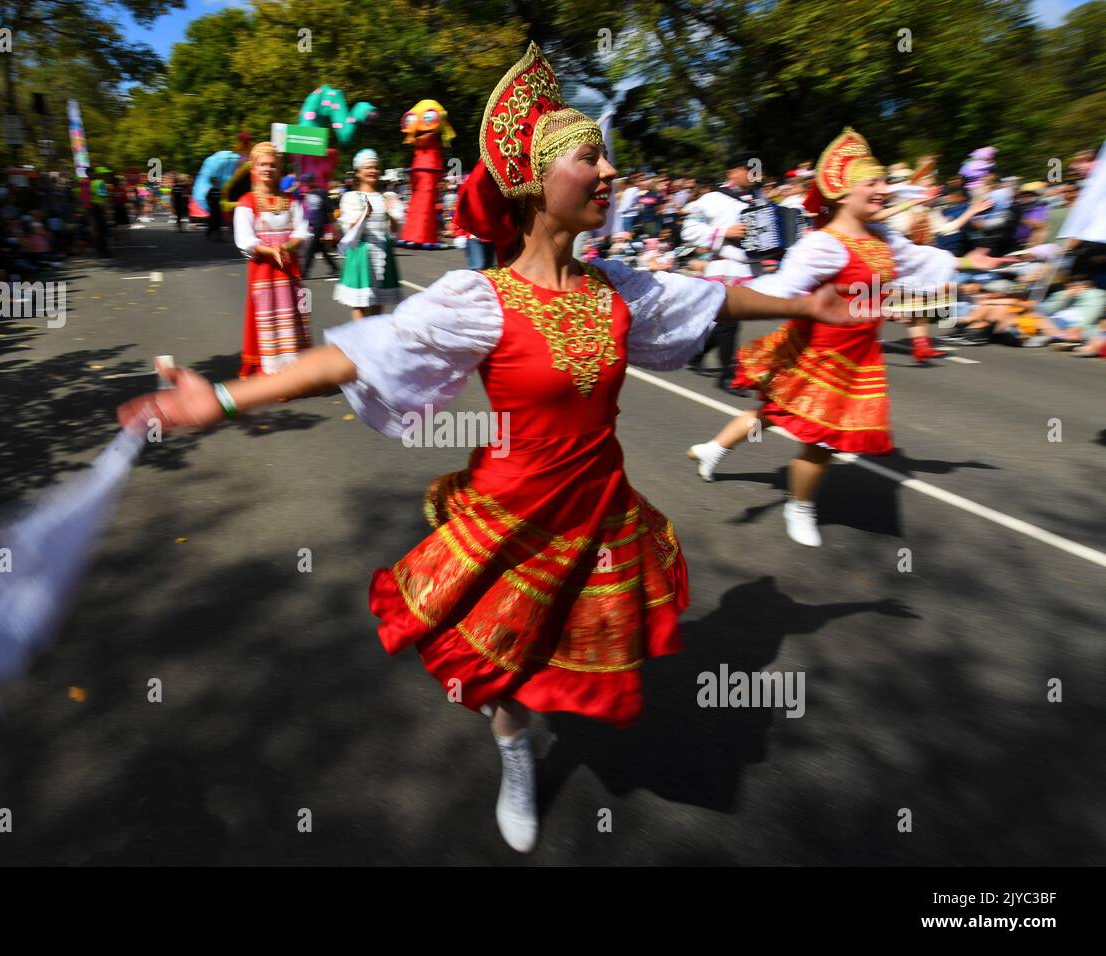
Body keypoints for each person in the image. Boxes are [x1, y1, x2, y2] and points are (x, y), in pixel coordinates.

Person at [117, 42, 859, 853]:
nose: (609, 173)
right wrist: (220, 397)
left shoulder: (620, 288)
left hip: (599, 511)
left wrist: (809, 310)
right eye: (589, 159)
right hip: (512, 511)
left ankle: (523, 735)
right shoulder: (482, 300)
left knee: (567, 652)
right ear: (536, 186)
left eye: (607, 159)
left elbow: (710, 299)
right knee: (505, 667)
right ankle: (512, 754)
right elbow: (356, 356)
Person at [685, 128, 1005, 547]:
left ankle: (714, 449)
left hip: (859, 356)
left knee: (775, 413)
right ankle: (799, 506)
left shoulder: (885, 238)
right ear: (843, 194)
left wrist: (968, 260)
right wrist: (701, 300)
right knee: (819, 438)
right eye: (871, 183)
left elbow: (921, 261)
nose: (884, 189)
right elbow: (778, 290)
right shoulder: (822, 245)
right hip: (818, 352)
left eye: (883, 182)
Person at [680, 152, 787, 395]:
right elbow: (688, 230)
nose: (755, 174)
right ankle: (728, 376)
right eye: (749, 169)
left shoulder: (761, 199)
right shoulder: (712, 199)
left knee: (729, 321)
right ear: (732, 173)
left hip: (750, 269)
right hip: (724, 268)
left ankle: (697, 355)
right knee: (729, 324)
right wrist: (724, 232)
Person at [232, 142, 312, 378]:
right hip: (263, 274)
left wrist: (286, 246)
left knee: (294, 318)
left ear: (279, 169)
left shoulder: (291, 200)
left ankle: (295, 374)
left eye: (273, 165)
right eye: (263, 164)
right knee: (270, 320)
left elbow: (303, 231)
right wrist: (270, 250)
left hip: (289, 272)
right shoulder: (247, 202)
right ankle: (274, 375)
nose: (268, 169)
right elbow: (244, 240)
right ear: (253, 169)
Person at [333, 150, 402, 319]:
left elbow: (395, 229)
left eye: (375, 167)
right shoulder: (351, 197)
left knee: (379, 300)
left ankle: (373, 337)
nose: (373, 171)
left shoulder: (387, 196)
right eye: (368, 168)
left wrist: (388, 214)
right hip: (361, 251)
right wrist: (365, 213)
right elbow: (348, 228)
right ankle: (361, 338)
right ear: (358, 172)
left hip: (383, 251)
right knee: (361, 303)